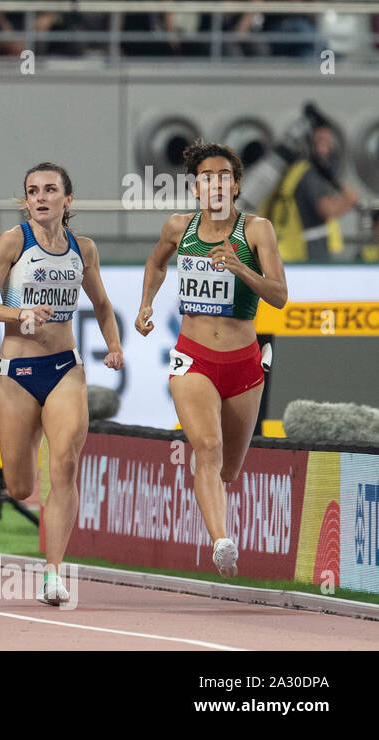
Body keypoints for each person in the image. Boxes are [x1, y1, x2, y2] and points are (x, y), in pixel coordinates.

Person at [0, 162, 124, 605]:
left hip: (65, 368)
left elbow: (102, 304)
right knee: (21, 486)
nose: (40, 197)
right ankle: (25, 457)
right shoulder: (13, 241)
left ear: (67, 199)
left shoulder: (83, 248)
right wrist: (19, 313)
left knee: (66, 465)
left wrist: (113, 346)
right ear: (26, 200)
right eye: (33, 190)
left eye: (50, 189)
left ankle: (53, 573)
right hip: (17, 374)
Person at [136, 141, 287, 580]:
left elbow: (279, 295)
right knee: (207, 447)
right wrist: (146, 303)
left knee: (229, 469)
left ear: (236, 186)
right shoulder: (178, 227)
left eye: (224, 176)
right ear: (195, 187)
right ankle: (221, 541)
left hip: (243, 363)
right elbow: (156, 263)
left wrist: (240, 269)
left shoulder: (256, 231)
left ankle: (209, 479)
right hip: (193, 358)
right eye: (206, 177)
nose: (215, 184)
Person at [265, 123, 359, 263]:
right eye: (321, 141)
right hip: (310, 248)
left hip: (290, 246)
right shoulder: (310, 174)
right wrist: (348, 200)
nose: (326, 148)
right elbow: (326, 209)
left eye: (329, 141)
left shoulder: (294, 171)